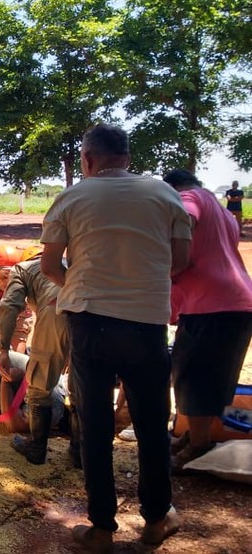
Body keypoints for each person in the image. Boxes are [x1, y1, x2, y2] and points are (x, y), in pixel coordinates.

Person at [40, 123, 191, 552]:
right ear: (127, 155)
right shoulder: (164, 193)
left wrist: (86, 285)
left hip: (90, 321)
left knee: (95, 423)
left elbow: (50, 266)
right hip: (146, 323)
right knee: (150, 423)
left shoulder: (72, 197)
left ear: (88, 159)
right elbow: (179, 260)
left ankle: (103, 528)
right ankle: (157, 519)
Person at [163, 169, 252, 472]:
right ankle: (194, 437)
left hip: (213, 305)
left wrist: (173, 260)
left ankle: (199, 447)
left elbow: (186, 216)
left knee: (194, 376)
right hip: (233, 302)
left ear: (172, 189)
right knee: (203, 374)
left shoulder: (187, 199)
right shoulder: (222, 210)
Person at [0, 245, 75, 467]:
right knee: (80, 386)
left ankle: (37, 447)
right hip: (90, 314)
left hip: (55, 312)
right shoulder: (73, 263)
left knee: (39, 384)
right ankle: (79, 450)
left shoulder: (23, 269)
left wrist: (3, 349)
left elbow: (9, 306)